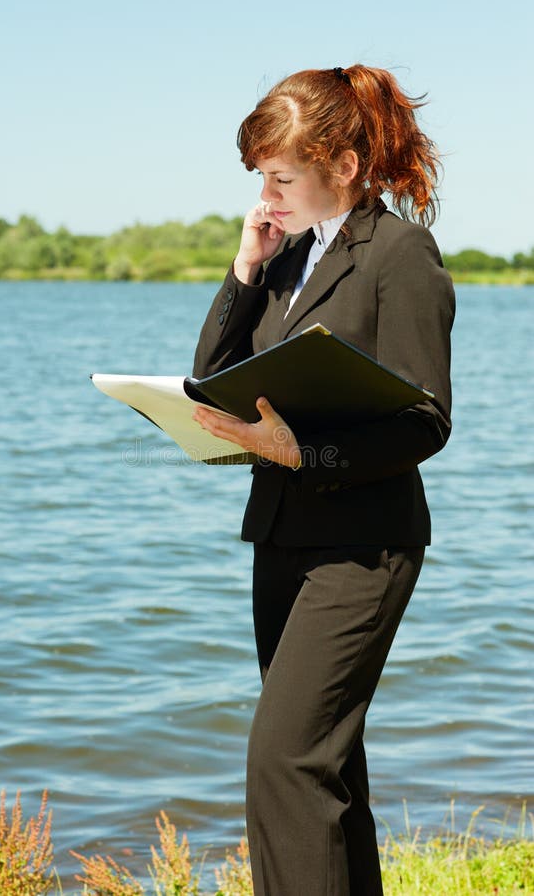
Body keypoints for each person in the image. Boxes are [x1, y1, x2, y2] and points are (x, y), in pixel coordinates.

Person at [192, 65, 455, 896]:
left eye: (281, 175)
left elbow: (425, 421)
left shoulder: (400, 253)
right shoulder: (284, 256)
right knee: (326, 770)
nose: (266, 193)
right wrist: (245, 266)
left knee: (285, 760)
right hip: (283, 537)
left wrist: (304, 455)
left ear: (340, 165)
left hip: (364, 546)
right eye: (260, 177)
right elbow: (211, 378)